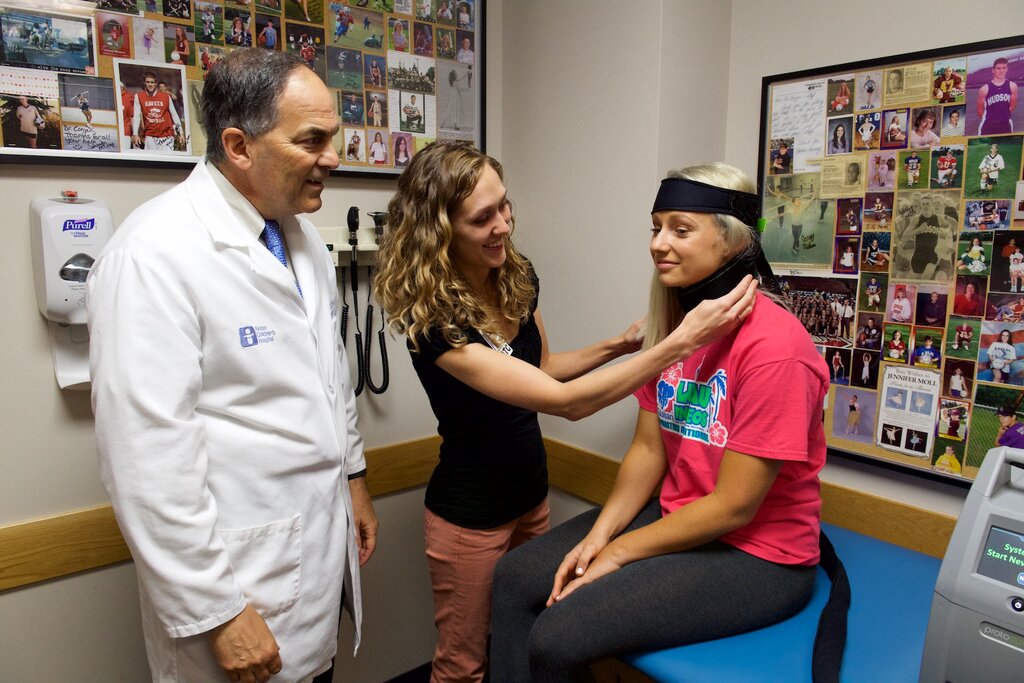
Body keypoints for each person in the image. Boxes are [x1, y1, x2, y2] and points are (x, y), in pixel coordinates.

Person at [373, 150, 758, 683]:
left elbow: (543, 370)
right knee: (462, 663)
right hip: (469, 512)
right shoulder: (433, 322)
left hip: (530, 493)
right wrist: (681, 340)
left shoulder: (513, 274)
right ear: (438, 230)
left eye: (504, 208)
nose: (502, 226)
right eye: (482, 218)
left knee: (528, 628)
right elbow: (566, 403)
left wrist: (620, 345)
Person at [88, 49, 376, 683]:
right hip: (233, 591)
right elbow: (146, 459)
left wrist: (353, 474)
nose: (333, 157)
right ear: (239, 146)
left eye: (335, 137)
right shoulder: (152, 255)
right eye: (313, 140)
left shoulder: (301, 240)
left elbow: (330, 381)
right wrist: (216, 613)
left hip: (311, 556)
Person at [488, 162, 828, 683]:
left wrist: (620, 552)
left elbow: (735, 506)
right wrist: (600, 535)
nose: (659, 243)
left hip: (761, 554)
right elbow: (649, 452)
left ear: (734, 242)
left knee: (559, 636)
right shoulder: (677, 333)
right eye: (656, 226)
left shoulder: (777, 349)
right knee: (514, 577)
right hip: (681, 517)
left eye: (681, 229)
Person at [132, 71, 183, 151]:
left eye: (152, 82)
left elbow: (174, 115)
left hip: (167, 135)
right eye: (147, 82)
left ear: (156, 83)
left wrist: (180, 132)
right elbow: (136, 116)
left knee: (167, 161)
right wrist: (135, 134)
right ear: (144, 82)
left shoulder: (165, 96)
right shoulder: (138, 96)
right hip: (150, 135)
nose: (150, 84)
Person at [976, 57, 1018, 135]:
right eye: (998, 68)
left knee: (1006, 146)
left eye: (1004, 68)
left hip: (1005, 125)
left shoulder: (1012, 86)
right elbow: (979, 110)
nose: (1001, 71)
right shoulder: (984, 89)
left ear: (1007, 69)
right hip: (988, 126)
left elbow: (1012, 105)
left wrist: (1002, 116)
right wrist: (991, 120)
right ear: (993, 70)